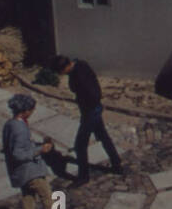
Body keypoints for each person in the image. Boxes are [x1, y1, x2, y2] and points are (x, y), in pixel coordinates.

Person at [3, 94, 73, 209]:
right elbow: (18, 153)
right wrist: (41, 149)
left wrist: (35, 145)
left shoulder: (10, 124)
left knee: (28, 201)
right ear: (26, 110)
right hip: (30, 171)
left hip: (20, 173)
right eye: (32, 109)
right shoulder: (20, 129)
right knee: (50, 199)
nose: (33, 111)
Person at [53, 54, 126, 184]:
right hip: (94, 110)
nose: (62, 74)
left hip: (90, 112)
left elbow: (89, 92)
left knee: (80, 145)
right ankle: (117, 165)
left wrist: (88, 109)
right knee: (103, 137)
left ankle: (83, 177)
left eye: (61, 72)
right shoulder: (81, 64)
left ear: (66, 67)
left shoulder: (78, 75)